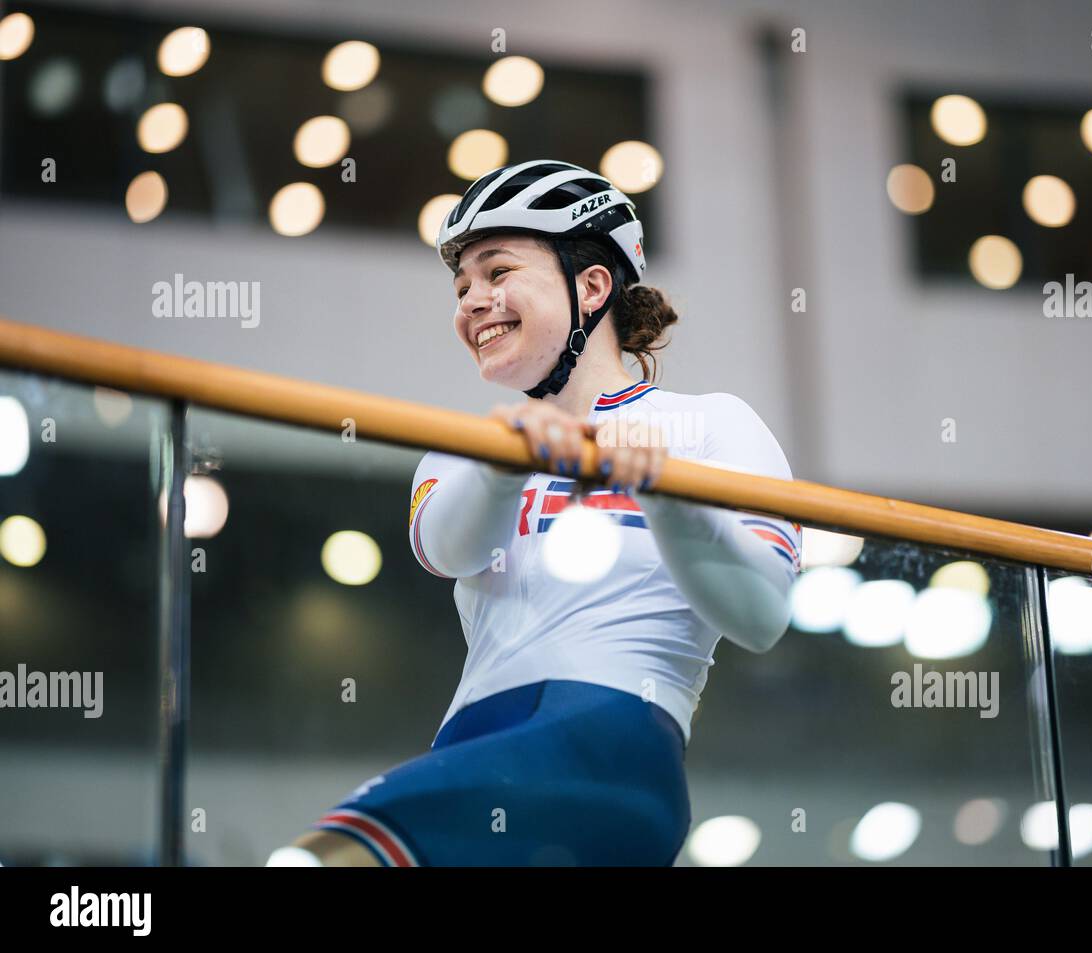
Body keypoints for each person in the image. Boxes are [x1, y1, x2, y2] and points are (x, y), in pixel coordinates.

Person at [266, 159, 801, 867]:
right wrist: (504, 461)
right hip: (473, 747)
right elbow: (447, 548)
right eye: (462, 287)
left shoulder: (713, 425)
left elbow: (762, 616)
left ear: (593, 286)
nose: (471, 302)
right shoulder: (466, 449)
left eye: (497, 272)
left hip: (608, 749)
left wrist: (667, 495)